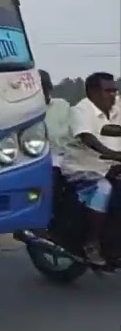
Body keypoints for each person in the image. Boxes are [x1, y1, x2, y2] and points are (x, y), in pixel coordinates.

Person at [61, 72, 121, 264]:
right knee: (104, 189)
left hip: (112, 166)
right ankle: (92, 241)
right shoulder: (81, 110)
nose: (113, 94)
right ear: (93, 92)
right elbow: (88, 138)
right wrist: (112, 154)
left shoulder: (117, 107)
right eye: (108, 90)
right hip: (84, 167)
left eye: (114, 89)